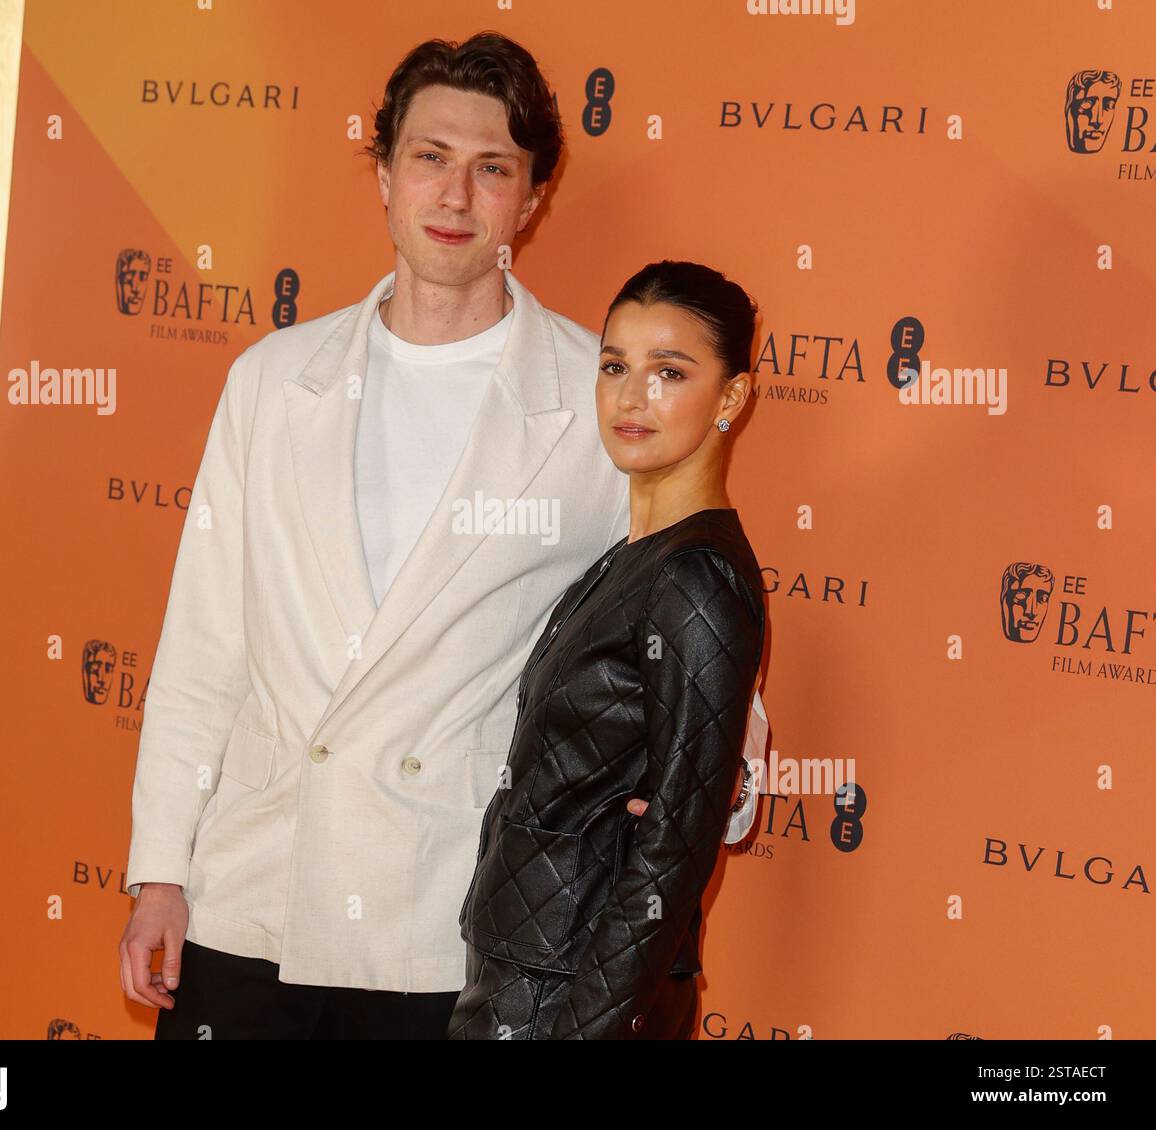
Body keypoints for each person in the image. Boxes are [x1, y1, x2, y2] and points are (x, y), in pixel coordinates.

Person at [118, 32, 765, 1040]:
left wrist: (715, 787)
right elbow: (204, 646)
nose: (456, 196)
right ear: (383, 174)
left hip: (444, 920)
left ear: (532, 198)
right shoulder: (273, 380)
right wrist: (161, 868)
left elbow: (685, 604)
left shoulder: (600, 398)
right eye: (429, 157)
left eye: (492, 168)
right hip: (252, 892)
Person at [449, 260, 766, 1040]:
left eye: (670, 373)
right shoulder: (630, 560)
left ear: (731, 398)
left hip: (570, 998)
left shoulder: (696, 577)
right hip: (527, 971)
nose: (631, 397)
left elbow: (677, 840)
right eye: (615, 366)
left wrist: (588, 1027)